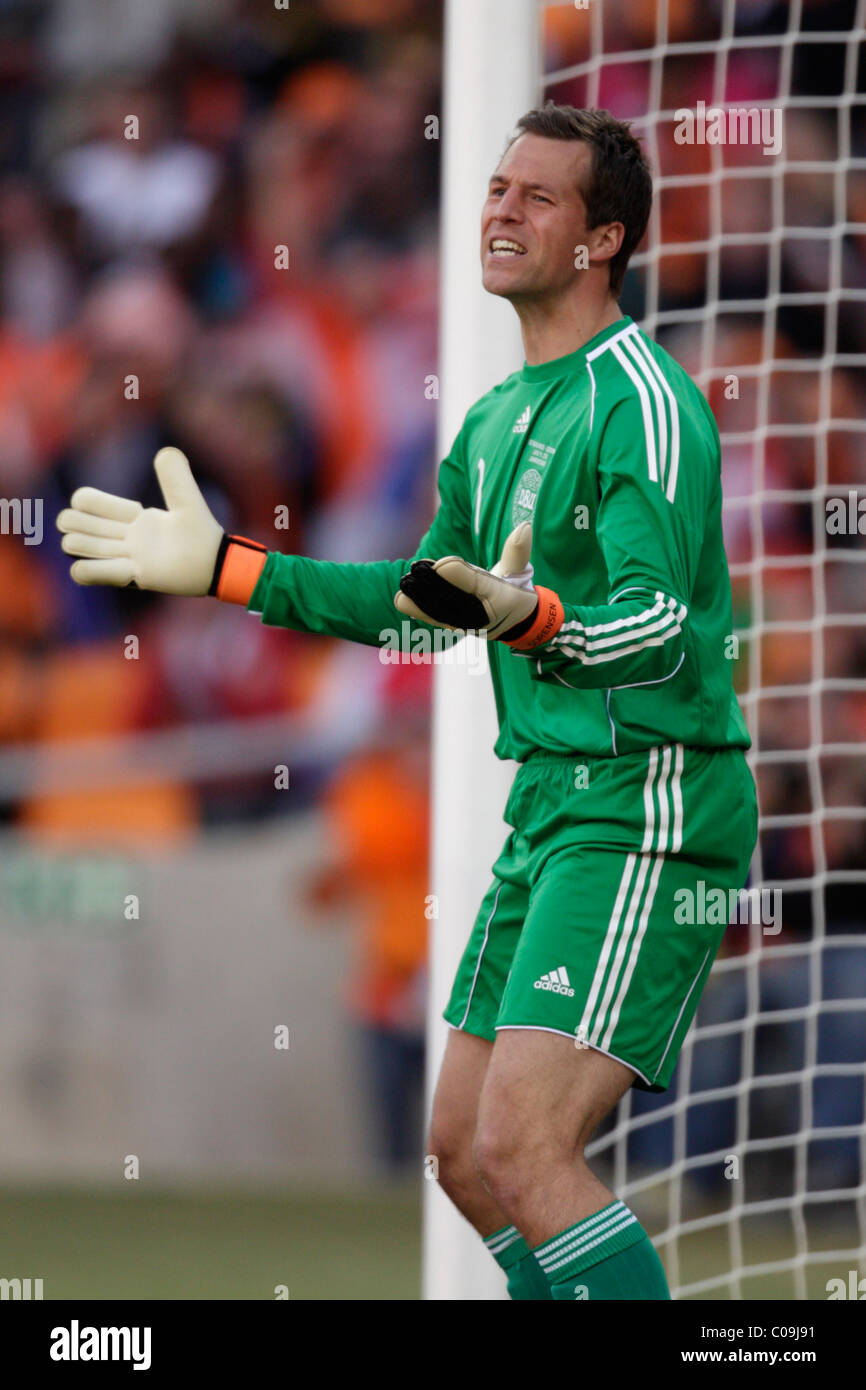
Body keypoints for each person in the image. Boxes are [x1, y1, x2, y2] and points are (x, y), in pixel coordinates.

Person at [57, 103, 758, 1301]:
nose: (500, 209)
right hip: (551, 808)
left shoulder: (638, 399)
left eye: (538, 197)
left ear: (602, 241)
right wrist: (234, 567)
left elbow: (658, 631)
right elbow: (419, 602)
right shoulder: (491, 420)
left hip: (646, 794)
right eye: (496, 188)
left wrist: (527, 617)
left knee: (524, 1147)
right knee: (464, 1159)